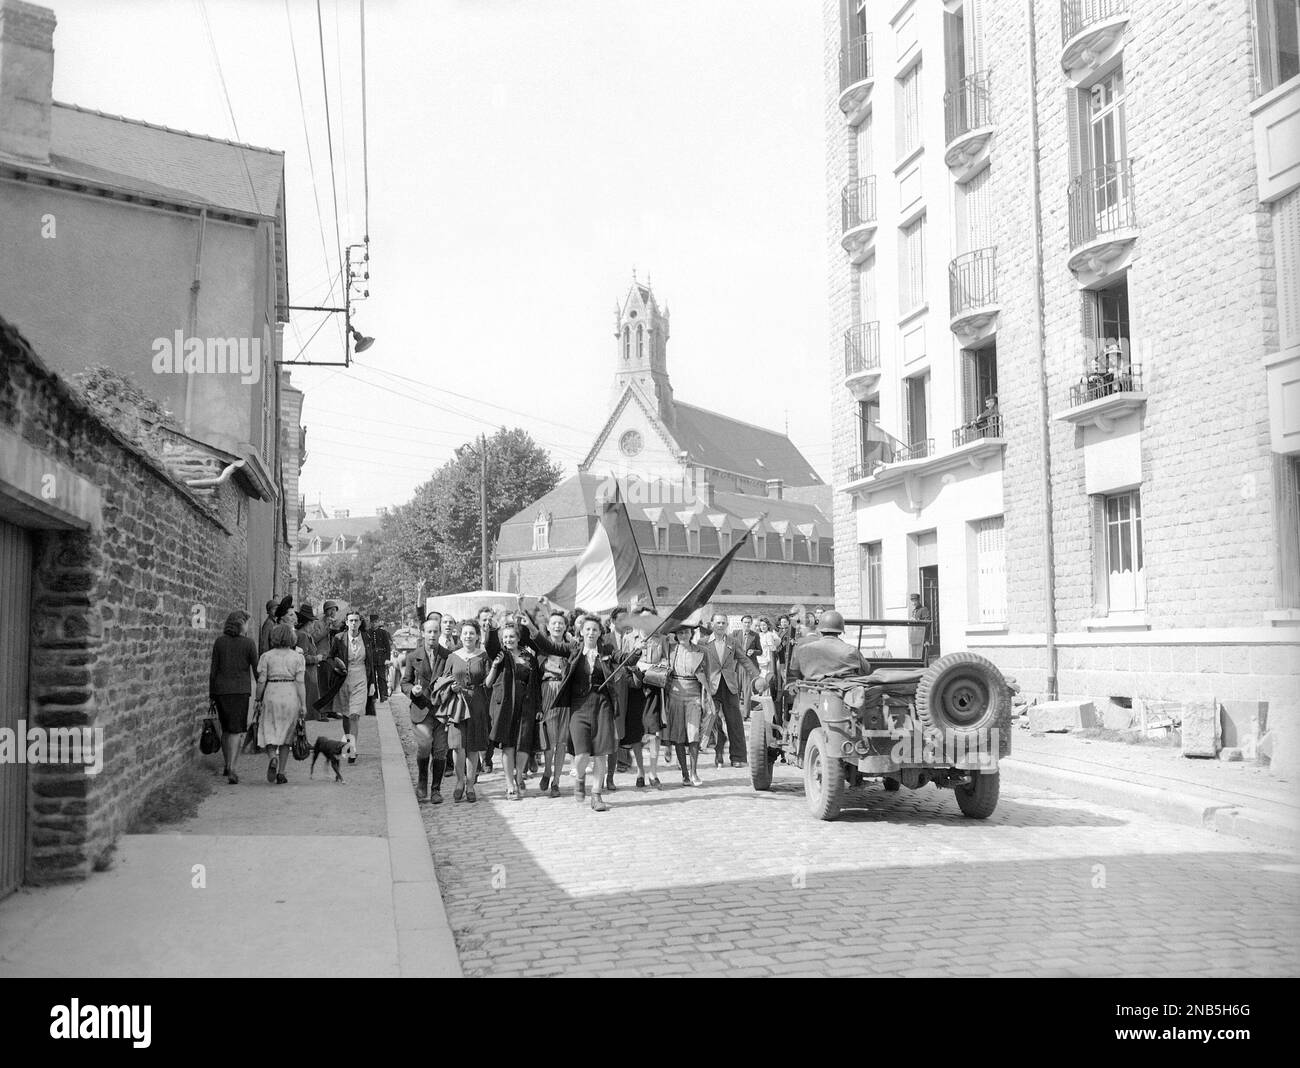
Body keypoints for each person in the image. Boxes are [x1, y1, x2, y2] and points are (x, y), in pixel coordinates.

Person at [530, 613, 618, 812]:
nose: (591, 632)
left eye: (595, 629)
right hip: (579, 706)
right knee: (582, 753)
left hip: (602, 704)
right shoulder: (573, 648)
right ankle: (579, 778)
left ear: (599, 632)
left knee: (601, 754)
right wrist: (533, 629)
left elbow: (622, 658)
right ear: (581, 631)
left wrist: (637, 653)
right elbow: (550, 647)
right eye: (587, 629)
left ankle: (596, 794)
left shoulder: (607, 649)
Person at [441, 620, 493, 803]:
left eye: (472, 633)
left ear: (478, 636)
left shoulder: (483, 656)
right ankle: (460, 781)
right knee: (457, 745)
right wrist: (451, 687)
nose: (468, 637)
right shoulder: (453, 656)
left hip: (477, 703)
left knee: (472, 746)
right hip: (457, 705)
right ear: (460, 635)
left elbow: (489, 681)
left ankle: (471, 785)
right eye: (465, 633)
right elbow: (444, 679)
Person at [401, 615, 451, 803]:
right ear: (423, 633)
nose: (432, 635)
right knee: (424, 746)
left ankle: (436, 789)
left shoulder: (448, 656)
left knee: (440, 750)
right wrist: (412, 690)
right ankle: (422, 782)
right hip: (421, 710)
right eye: (429, 631)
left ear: (439, 634)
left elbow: (454, 677)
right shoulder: (413, 657)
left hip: (441, 710)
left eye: (435, 631)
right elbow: (404, 683)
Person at [487, 622, 540, 800]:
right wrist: (492, 629)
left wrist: (538, 707)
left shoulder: (529, 657)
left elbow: (536, 684)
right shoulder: (500, 654)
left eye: (512, 636)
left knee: (524, 743)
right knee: (508, 745)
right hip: (505, 706)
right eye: (505, 637)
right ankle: (509, 784)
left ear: (518, 638)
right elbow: (490, 644)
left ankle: (519, 778)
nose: (508, 639)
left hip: (526, 704)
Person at [699, 611, 758, 769]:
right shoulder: (703, 642)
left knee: (735, 723)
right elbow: (697, 664)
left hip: (730, 686)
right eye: (718, 623)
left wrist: (757, 676)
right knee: (713, 721)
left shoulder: (732, 641)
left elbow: (744, 659)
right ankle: (718, 751)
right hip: (711, 687)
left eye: (723, 623)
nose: (720, 625)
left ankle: (738, 757)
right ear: (712, 625)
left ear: (727, 625)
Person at [526, 608, 574, 798]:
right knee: (550, 741)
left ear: (565, 627)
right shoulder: (542, 648)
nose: (557, 625)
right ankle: (547, 770)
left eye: (560, 623)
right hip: (548, 691)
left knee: (562, 742)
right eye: (554, 622)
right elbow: (535, 681)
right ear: (548, 626)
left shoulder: (571, 647)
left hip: (565, 694)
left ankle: (556, 781)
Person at [208, 609, 258, 784]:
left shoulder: (219, 643)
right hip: (240, 691)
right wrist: (262, 689)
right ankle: (233, 768)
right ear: (241, 624)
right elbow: (256, 669)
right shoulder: (249, 644)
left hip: (221, 691)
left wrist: (211, 694)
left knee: (226, 729)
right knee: (236, 730)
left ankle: (227, 765)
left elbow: (213, 671)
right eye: (246, 623)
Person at [318, 610, 377, 756]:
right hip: (343, 679)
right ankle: (348, 743)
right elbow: (330, 657)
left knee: (354, 714)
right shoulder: (339, 638)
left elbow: (371, 662)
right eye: (351, 621)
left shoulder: (367, 638)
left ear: (360, 622)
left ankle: (352, 748)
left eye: (356, 621)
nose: (354, 624)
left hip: (361, 677)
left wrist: (372, 683)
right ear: (346, 622)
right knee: (346, 714)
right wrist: (337, 666)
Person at [659, 622, 711, 786]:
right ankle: (685, 775)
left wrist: (708, 697)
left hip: (694, 694)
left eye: (686, 632)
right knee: (679, 736)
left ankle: (694, 772)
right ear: (676, 635)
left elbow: (707, 676)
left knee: (693, 734)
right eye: (680, 633)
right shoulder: (670, 650)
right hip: (674, 694)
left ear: (691, 634)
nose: (683, 636)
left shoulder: (701, 651)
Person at [254, 623, 307, 784]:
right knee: (287, 735)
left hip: (272, 692)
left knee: (269, 729)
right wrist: (303, 704)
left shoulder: (266, 656)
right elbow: (300, 683)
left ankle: (272, 757)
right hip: (290, 693)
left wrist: (257, 699)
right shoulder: (297, 657)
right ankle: (282, 772)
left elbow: (261, 681)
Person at [785, 610, 869, 684]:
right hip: (843, 693)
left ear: (820, 630)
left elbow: (795, 671)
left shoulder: (803, 649)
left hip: (811, 692)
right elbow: (865, 670)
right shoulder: (851, 650)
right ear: (840, 632)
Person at [303, 600, 338, 721]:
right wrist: (327, 629)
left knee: (332, 685)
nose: (333, 611)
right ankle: (322, 711)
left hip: (331, 657)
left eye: (334, 609)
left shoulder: (335, 623)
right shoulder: (318, 623)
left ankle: (331, 709)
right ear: (325, 610)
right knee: (322, 686)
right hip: (321, 657)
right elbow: (314, 638)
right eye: (330, 609)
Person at [294, 603, 322, 716]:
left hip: (310, 675)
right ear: (308, 623)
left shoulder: (304, 635)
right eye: (312, 623)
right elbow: (302, 657)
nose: (313, 626)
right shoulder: (303, 636)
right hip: (307, 676)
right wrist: (317, 658)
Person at [369, 614, 393, 702]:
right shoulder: (367, 633)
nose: (374, 624)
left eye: (375, 622)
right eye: (372, 622)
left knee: (382, 677)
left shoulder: (383, 633)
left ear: (378, 622)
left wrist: (387, 659)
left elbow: (387, 647)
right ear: (370, 623)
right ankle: (374, 696)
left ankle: (384, 695)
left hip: (381, 658)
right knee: (372, 678)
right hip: (371, 658)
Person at [908, 594, 931, 661]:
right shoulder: (914, 611)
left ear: (919, 600)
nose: (914, 603)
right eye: (912, 601)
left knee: (920, 658)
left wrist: (926, 639)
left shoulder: (924, 609)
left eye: (915, 600)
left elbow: (927, 622)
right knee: (914, 658)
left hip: (921, 638)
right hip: (914, 637)